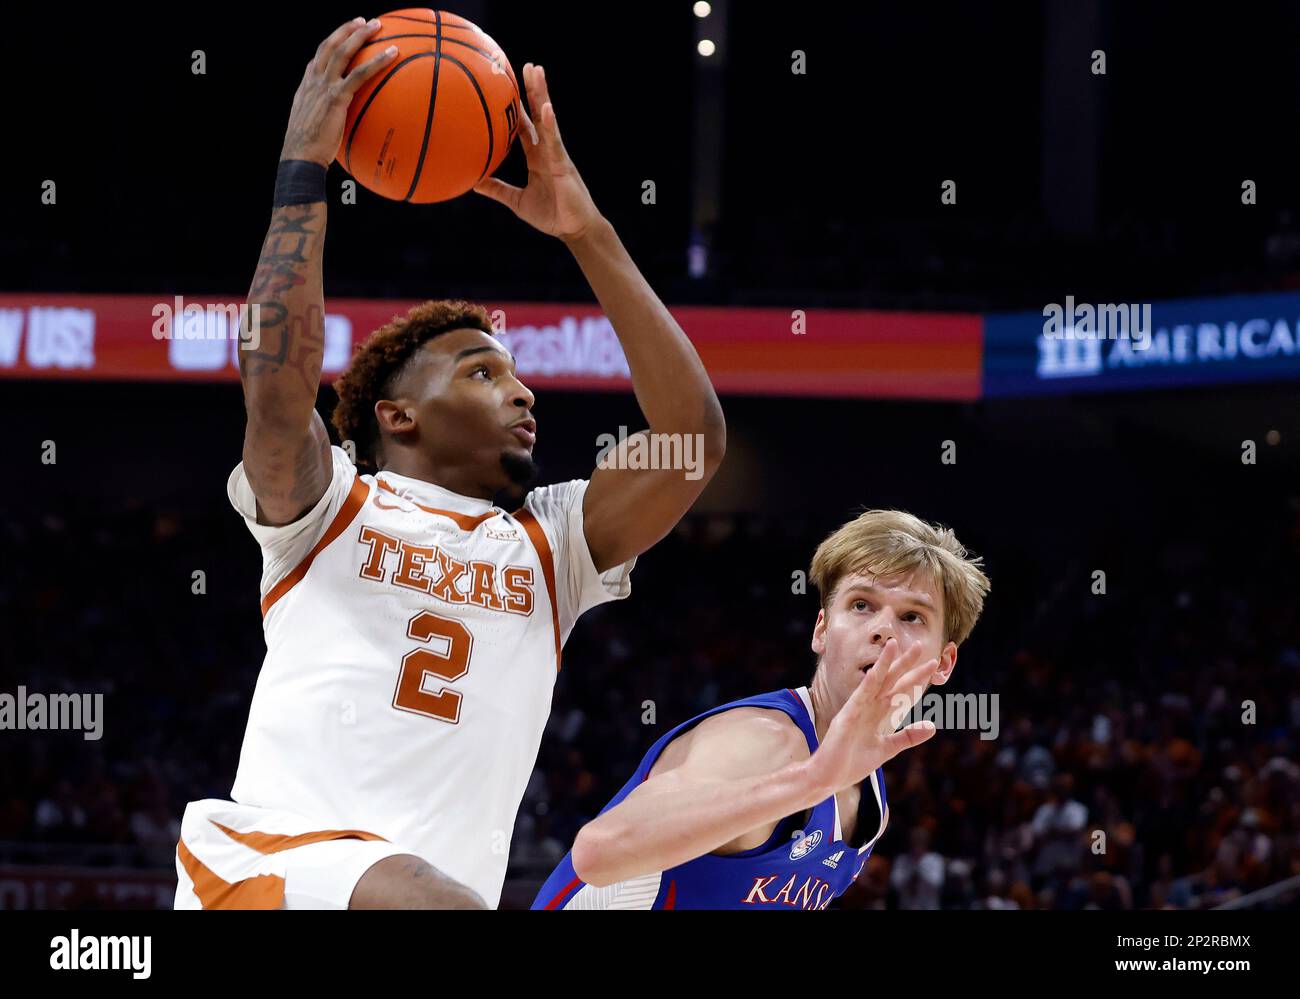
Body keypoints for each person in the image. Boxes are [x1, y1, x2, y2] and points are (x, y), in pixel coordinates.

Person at [174, 17, 725, 910]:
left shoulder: (553, 547)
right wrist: (301, 176)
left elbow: (692, 443)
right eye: (482, 371)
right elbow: (277, 395)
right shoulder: (331, 507)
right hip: (266, 868)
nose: (523, 393)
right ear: (397, 415)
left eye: (516, 373)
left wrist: (586, 230)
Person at [533, 510, 989, 909]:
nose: (883, 630)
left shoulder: (873, 803)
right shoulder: (762, 741)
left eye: (912, 617)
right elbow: (598, 851)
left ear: (944, 662)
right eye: (861, 605)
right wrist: (812, 781)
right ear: (822, 631)